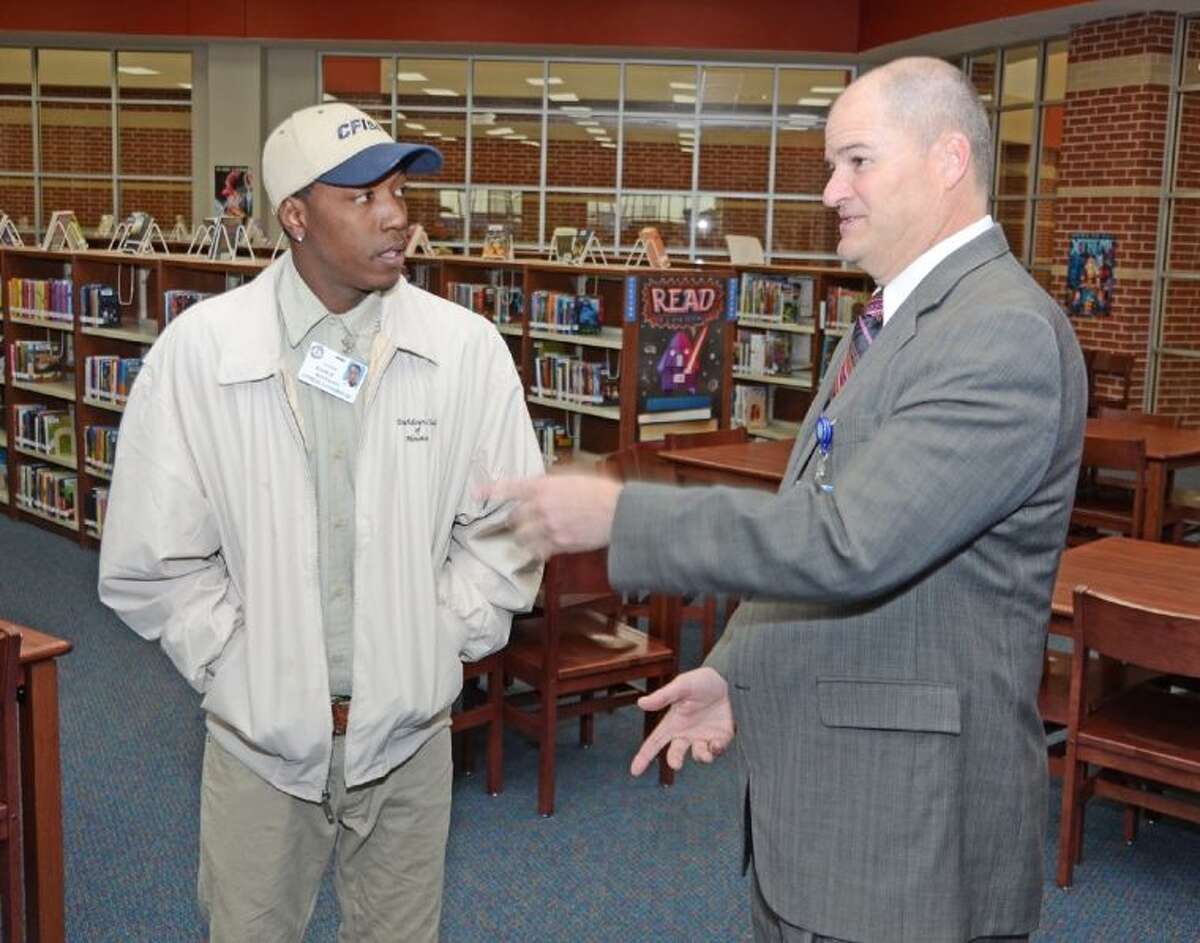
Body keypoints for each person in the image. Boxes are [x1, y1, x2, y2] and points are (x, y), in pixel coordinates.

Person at [493, 57, 1086, 943]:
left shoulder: (999, 331)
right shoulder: (895, 320)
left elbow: (848, 540)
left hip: (906, 841)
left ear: (948, 159)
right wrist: (736, 670)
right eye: (830, 164)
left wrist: (623, 516)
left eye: (856, 161)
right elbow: (818, 507)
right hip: (837, 816)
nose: (829, 190)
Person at [98, 102, 543, 942]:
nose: (396, 215)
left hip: (409, 745)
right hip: (259, 748)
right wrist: (237, 662)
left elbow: (508, 526)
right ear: (295, 217)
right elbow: (152, 556)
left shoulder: (467, 350)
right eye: (362, 195)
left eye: (400, 191)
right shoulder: (200, 353)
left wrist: (436, 639)